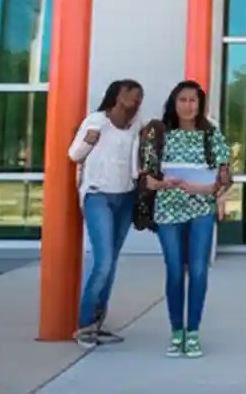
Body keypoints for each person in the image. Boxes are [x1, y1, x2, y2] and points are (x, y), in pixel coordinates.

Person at [142, 80, 232, 358]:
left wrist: (204, 188)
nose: (188, 105)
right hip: (168, 209)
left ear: (200, 105)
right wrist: (162, 183)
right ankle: (176, 331)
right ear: (174, 102)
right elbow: (146, 177)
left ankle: (193, 332)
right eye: (183, 100)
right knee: (173, 269)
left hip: (201, 209)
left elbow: (225, 177)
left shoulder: (211, 134)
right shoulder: (158, 134)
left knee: (199, 270)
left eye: (193, 100)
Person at [69, 79, 145, 348]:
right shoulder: (96, 120)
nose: (135, 100)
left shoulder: (135, 126)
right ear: (116, 95)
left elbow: (136, 166)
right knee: (102, 261)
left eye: (139, 96)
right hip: (98, 195)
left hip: (125, 198)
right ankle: (84, 325)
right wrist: (88, 141)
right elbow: (74, 154)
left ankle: (98, 324)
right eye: (130, 94)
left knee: (111, 264)